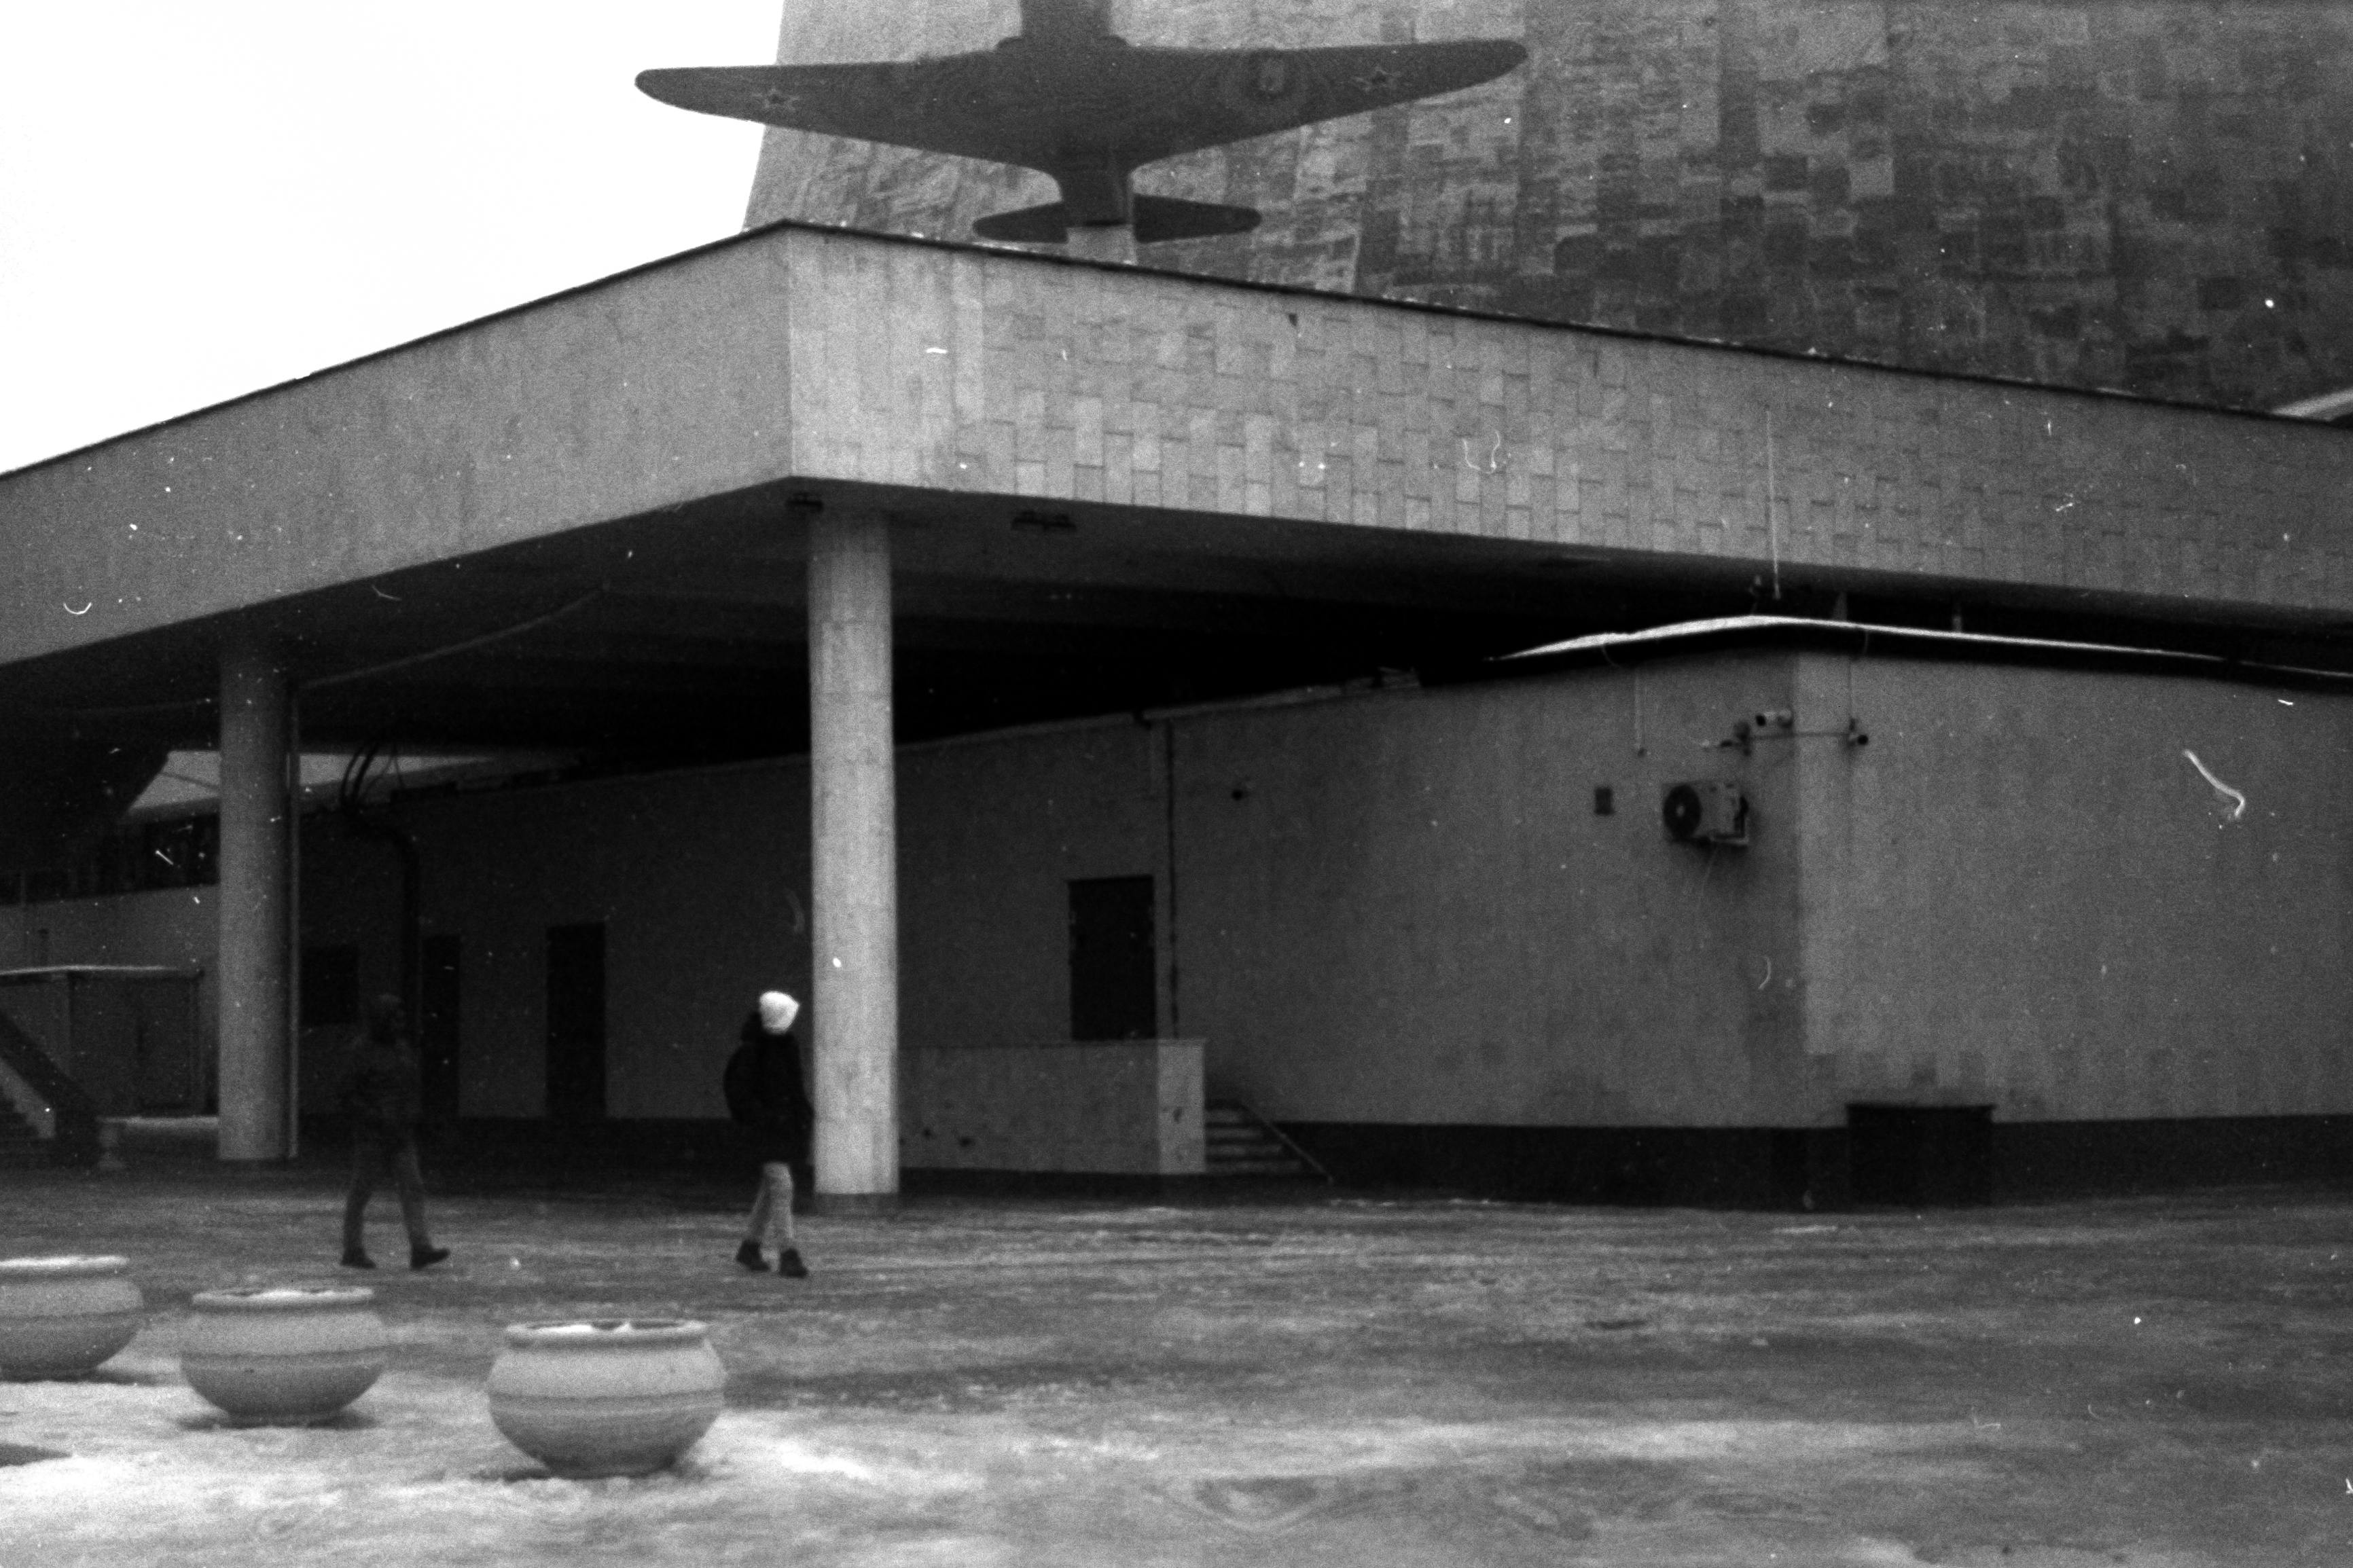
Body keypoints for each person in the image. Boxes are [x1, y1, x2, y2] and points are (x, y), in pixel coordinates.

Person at [339, 993, 450, 1271]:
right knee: (362, 1192)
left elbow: (410, 1087)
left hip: (398, 1131)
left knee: (411, 1188)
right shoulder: (362, 1051)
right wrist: (375, 1117)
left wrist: (409, 1116)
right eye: (394, 1019)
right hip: (374, 1134)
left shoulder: (399, 1049)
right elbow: (348, 1094)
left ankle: (420, 1247)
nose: (399, 1025)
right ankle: (353, 1249)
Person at [723, 989, 813, 1278]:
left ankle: (750, 1247)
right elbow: (740, 1092)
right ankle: (788, 1253)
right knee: (782, 1186)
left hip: (780, 1128)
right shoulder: (754, 1051)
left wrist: (799, 1116)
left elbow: (792, 1088)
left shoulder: (783, 1047)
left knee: (771, 1189)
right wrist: (763, 1118)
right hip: (767, 1130)